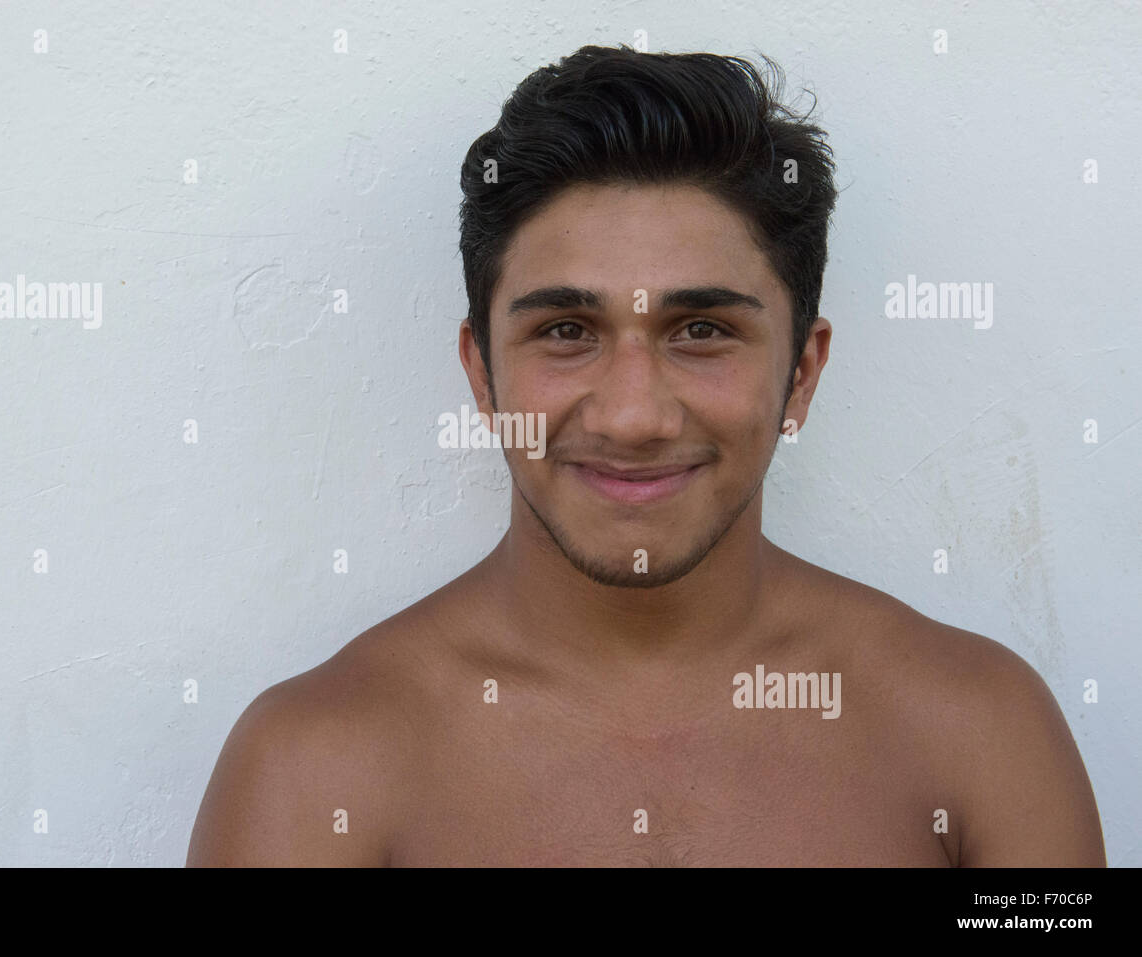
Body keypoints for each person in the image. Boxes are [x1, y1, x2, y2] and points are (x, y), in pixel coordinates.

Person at [187, 45, 1106, 866]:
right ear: (482, 372)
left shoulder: (981, 735)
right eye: (566, 329)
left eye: (701, 329)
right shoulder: (315, 766)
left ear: (801, 371)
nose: (633, 415)